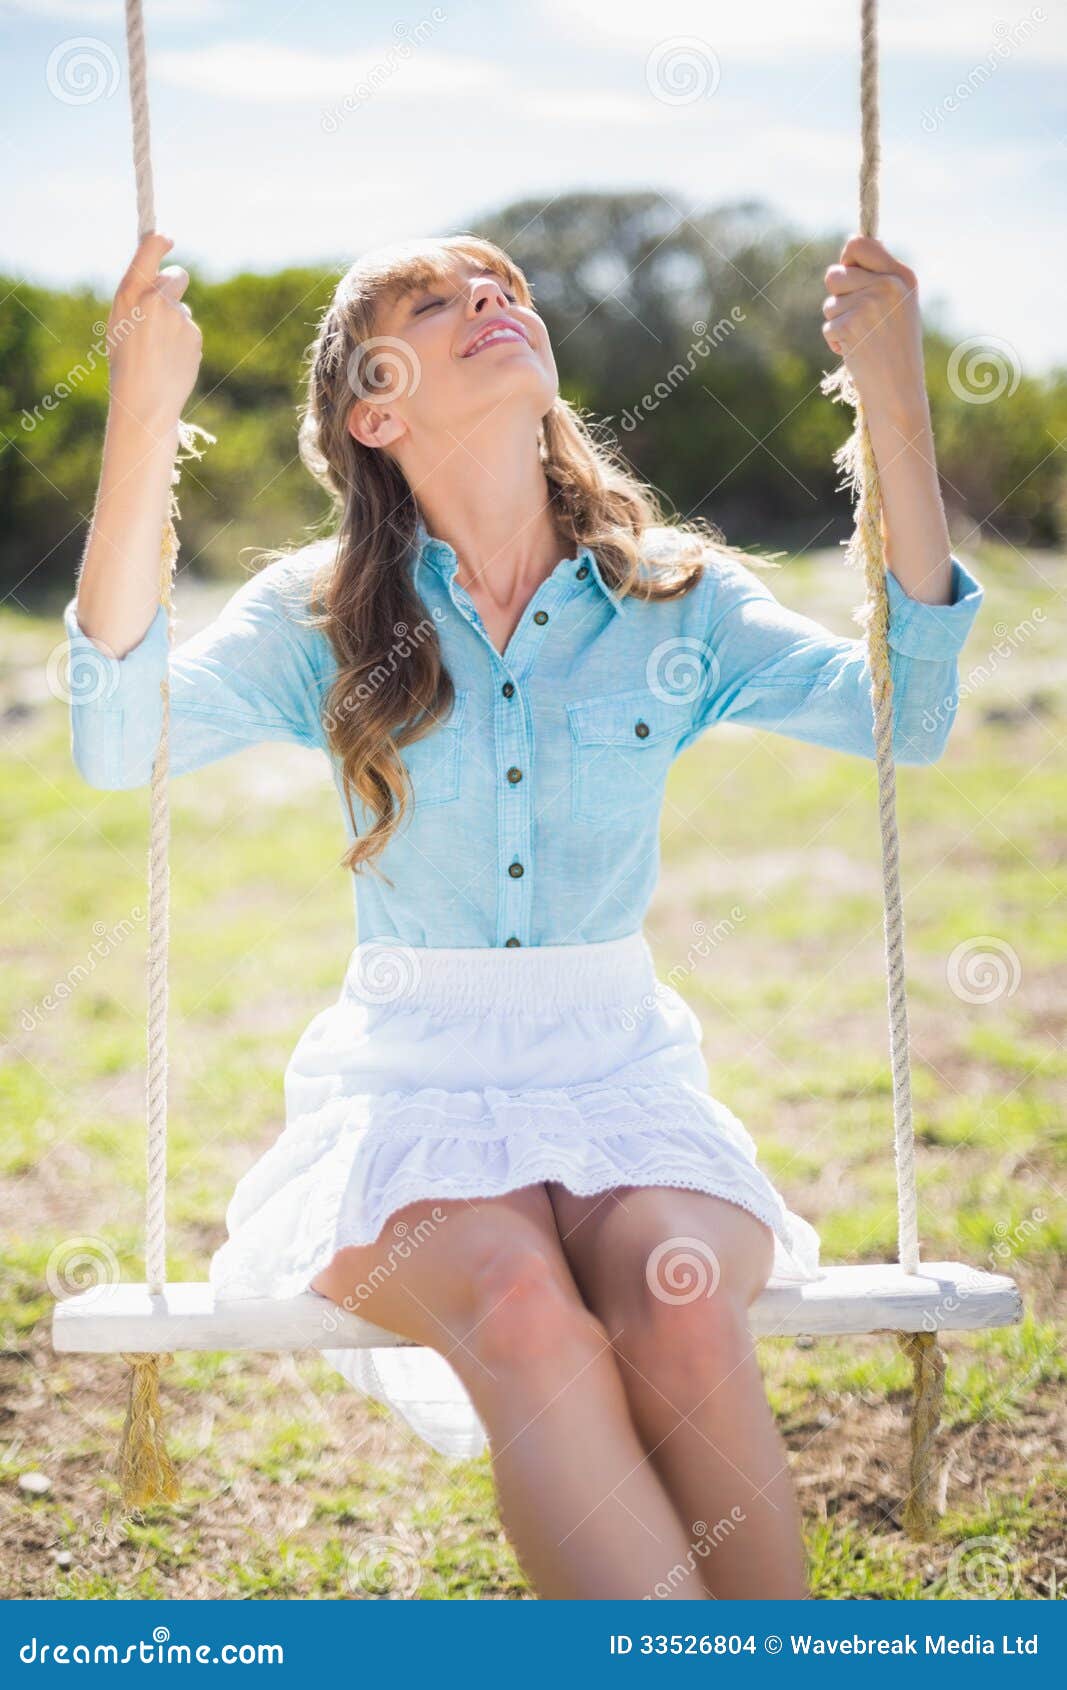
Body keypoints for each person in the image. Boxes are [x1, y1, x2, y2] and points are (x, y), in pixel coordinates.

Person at [64, 228, 984, 1599]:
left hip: (618, 1076)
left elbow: (907, 713)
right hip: (414, 1090)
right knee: (519, 1309)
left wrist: (893, 403)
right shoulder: (323, 617)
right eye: (433, 302)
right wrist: (145, 414)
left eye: (502, 286)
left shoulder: (670, 596)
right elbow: (111, 735)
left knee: (678, 1293)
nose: (488, 298)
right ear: (376, 410)